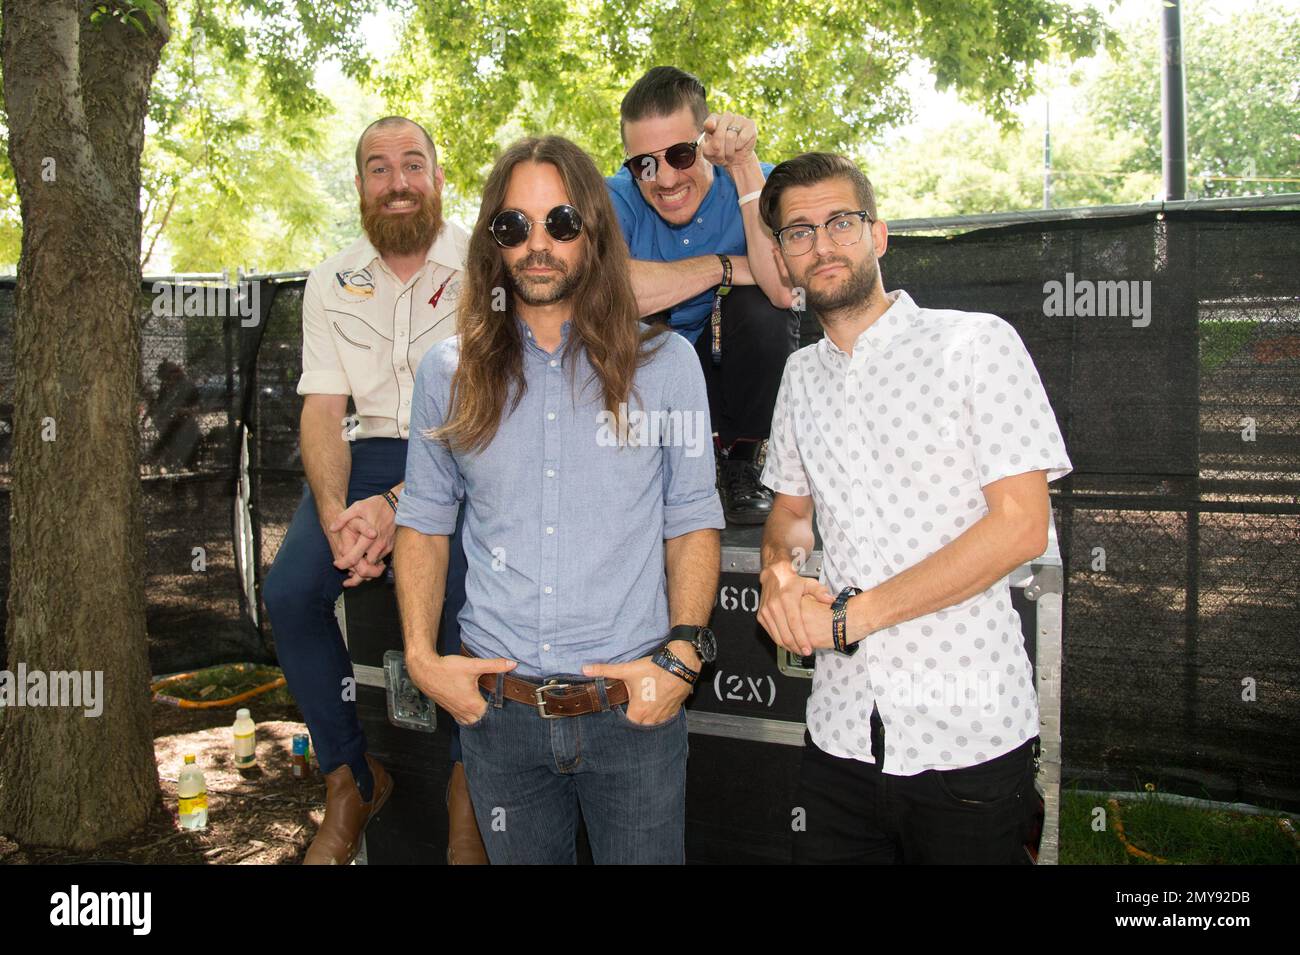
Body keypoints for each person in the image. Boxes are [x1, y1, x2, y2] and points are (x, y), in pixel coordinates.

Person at [393, 135, 724, 864]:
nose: (537, 245)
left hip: (634, 712)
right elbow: (422, 521)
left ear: (595, 232)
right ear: (493, 243)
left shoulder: (666, 366)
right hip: (499, 717)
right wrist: (420, 656)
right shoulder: (447, 373)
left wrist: (681, 660)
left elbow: (692, 518)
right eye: (515, 226)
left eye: (561, 222)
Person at [754, 152, 1073, 864]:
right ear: (780, 258)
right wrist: (780, 572)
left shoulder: (975, 342)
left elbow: (1022, 525)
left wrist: (853, 616)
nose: (822, 243)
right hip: (839, 731)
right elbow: (791, 513)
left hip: (968, 737)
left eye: (841, 221)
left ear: (880, 233)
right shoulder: (800, 376)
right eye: (799, 232)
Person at [262, 116, 486, 865]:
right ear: (359, 185)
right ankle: (352, 778)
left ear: (439, 178)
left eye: (412, 165)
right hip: (365, 455)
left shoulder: (485, 261)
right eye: (379, 169)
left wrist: (397, 505)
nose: (397, 183)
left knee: (464, 597)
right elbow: (323, 408)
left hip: (463, 446)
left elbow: (482, 405)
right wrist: (334, 516)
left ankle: (469, 789)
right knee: (291, 592)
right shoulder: (331, 277)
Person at [606, 66, 801, 524]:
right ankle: (653, 468)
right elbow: (612, 293)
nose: (666, 180)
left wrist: (744, 163)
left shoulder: (756, 181)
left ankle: (741, 462)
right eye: (645, 164)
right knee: (623, 327)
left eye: (680, 154)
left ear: (706, 144)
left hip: (732, 372)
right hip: (652, 376)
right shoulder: (616, 197)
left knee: (760, 310)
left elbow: (783, 290)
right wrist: (723, 266)